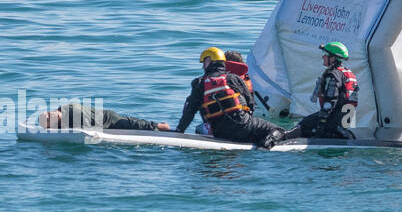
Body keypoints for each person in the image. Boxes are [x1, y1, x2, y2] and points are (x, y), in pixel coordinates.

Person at [176, 47, 283, 149]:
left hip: (219, 132)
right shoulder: (234, 79)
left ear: (209, 61)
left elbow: (189, 111)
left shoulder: (199, 83)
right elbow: (250, 104)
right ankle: (264, 146)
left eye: (204, 63)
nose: (203, 66)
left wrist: (179, 130)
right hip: (244, 128)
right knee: (278, 130)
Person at [283, 42, 359, 140]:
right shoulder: (348, 73)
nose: (323, 57)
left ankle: (280, 140)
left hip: (334, 118)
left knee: (302, 125)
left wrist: (322, 122)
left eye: (325, 54)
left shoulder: (333, 74)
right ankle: (340, 132)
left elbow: (331, 100)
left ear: (333, 58)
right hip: (347, 120)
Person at [39, 103, 170, 132]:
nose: (52, 117)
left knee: (131, 124)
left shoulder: (72, 111)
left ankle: (159, 126)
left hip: (107, 119)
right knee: (130, 123)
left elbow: (86, 129)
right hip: (102, 122)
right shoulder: (63, 118)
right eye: (50, 121)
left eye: (50, 115)